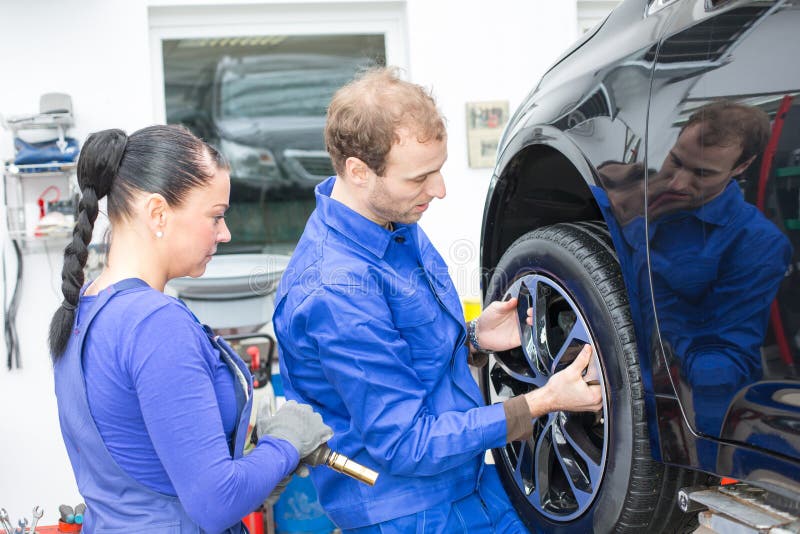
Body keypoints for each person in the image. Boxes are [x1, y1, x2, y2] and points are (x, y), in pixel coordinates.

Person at [272, 67, 603, 533]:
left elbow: (409, 358)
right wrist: (539, 403)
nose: (439, 190)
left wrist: (473, 339)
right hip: (407, 511)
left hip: (463, 479)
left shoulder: (393, 223)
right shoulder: (335, 291)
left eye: (440, 170)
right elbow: (407, 444)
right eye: (420, 178)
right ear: (358, 172)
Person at [49, 125, 333, 534]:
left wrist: (261, 468)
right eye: (216, 216)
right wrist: (286, 442)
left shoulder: (84, 309)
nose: (225, 233)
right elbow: (215, 502)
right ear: (158, 213)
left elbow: (150, 468)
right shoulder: (155, 325)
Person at [598, 101, 792, 465]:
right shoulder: (646, 195)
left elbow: (724, 357)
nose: (678, 182)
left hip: (693, 405)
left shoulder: (758, 243)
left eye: (701, 173)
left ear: (742, 167)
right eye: (676, 160)